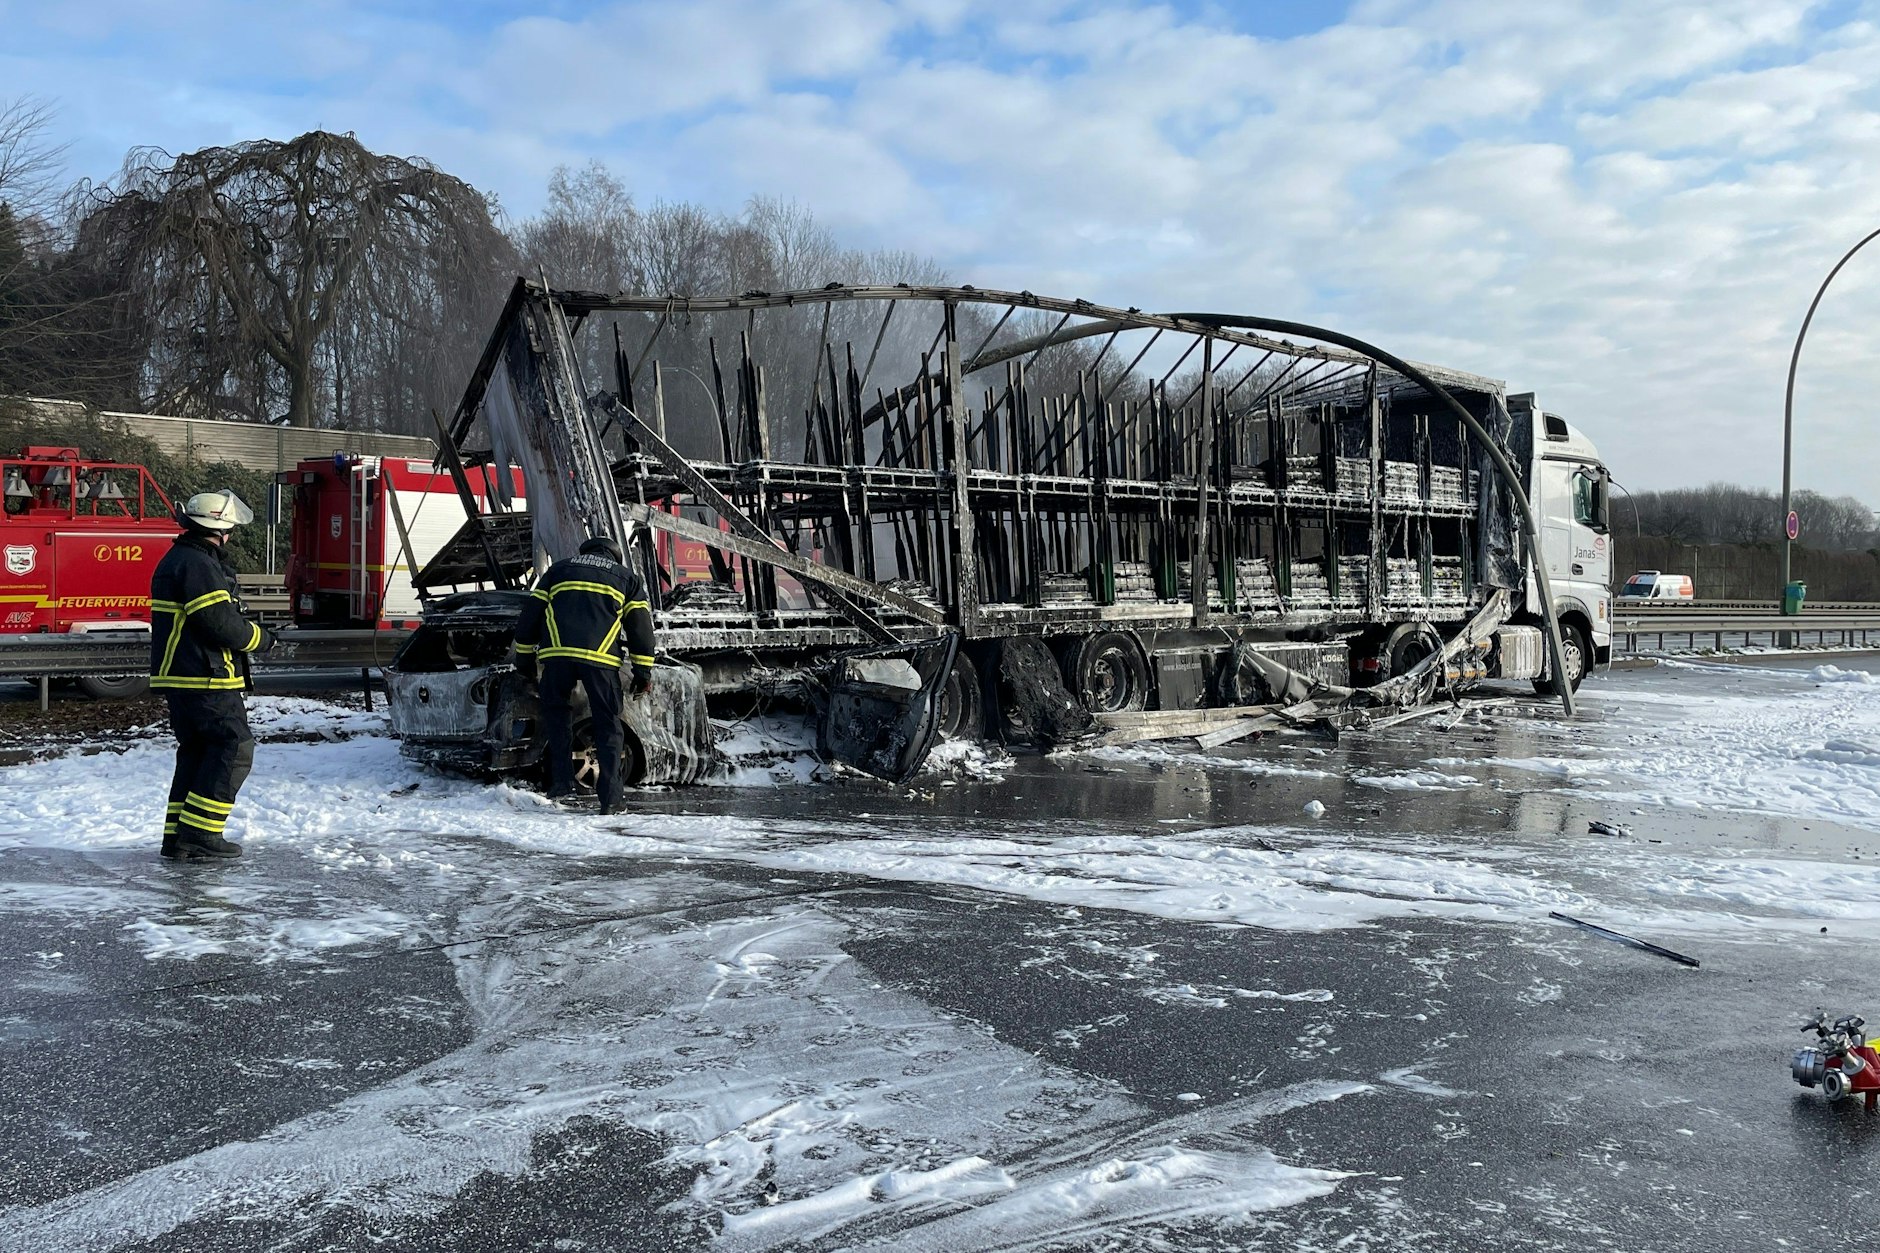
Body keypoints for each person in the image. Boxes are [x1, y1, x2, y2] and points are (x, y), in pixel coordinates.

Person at [150, 489, 275, 861]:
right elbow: (220, 625)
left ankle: (178, 837)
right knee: (233, 747)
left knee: (198, 754)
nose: (231, 537)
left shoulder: (180, 558)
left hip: (185, 678)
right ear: (218, 530)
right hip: (204, 678)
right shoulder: (198, 565)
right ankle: (202, 835)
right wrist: (262, 639)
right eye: (230, 530)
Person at [512, 534, 655, 814]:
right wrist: (643, 672)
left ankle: (561, 785)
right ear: (614, 555)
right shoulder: (626, 578)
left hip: (557, 657)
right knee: (607, 726)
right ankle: (611, 800)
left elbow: (530, 616)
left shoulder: (558, 570)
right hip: (600, 660)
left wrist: (524, 660)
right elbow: (640, 630)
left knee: (557, 718)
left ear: (585, 551)